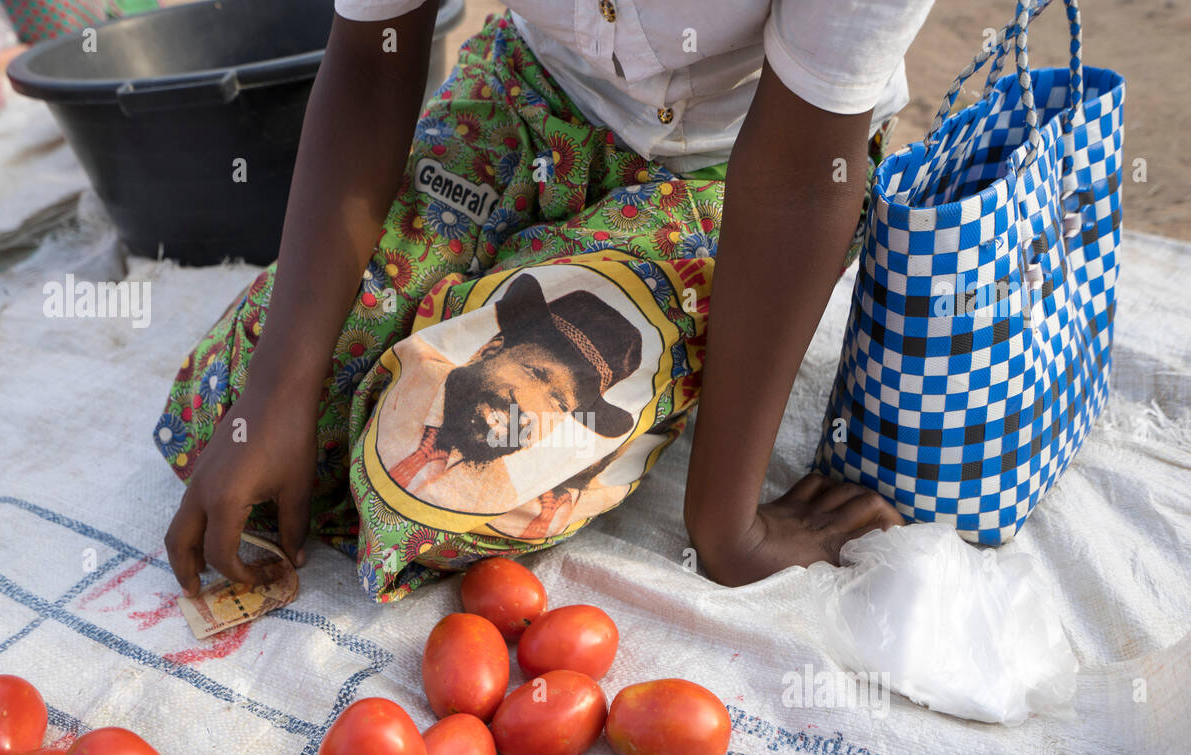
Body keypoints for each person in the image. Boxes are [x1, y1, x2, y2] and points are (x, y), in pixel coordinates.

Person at [157, 1, 933, 602]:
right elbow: (370, 60)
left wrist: (727, 531)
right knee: (220, 411)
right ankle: (493, 288)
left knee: (442, 490)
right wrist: (277, 395)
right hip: (529, 92)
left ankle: (534, 284)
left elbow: (801, 175)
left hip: (742, 168)